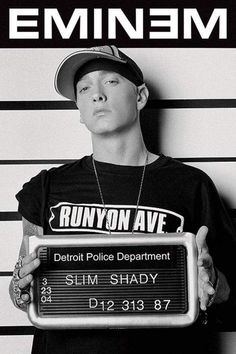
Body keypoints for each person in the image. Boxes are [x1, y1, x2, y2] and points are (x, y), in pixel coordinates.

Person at [9, 45, 236, 353]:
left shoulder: (191, 185)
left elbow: (226, 290)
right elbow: (24, 289)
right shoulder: (46, 186)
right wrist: (19, 289)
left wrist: (213, 285)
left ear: (140, 96)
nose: (96, 94)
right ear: (79, 108)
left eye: (111, 81)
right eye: (84, 88)